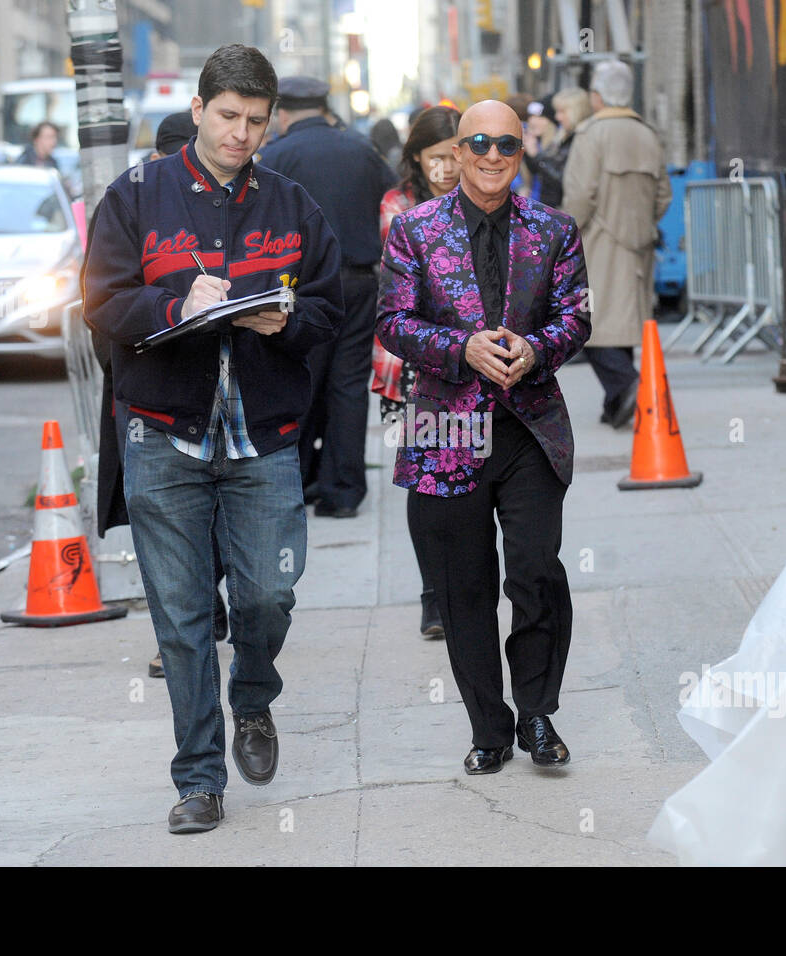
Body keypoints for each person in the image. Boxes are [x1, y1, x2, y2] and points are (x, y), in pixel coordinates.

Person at [83, 44, 345, 835]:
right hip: (164, 434)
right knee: (183, 615)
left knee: (268, 592)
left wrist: (289, 317)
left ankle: (254, 698)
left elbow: (333, 309)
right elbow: (101, 302)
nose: (241, 134)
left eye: (256, 122)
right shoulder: (135, 196)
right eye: (227, 117)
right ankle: (198, 778)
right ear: (197, 111)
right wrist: (173, 304)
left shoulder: (292, 204)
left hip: (263, 434)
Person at [377, 99, 591, 775]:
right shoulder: (414, 230)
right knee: (462, 588)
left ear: (520, 152)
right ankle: (488, 728)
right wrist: (460, 347)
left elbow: (576, 317)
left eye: (506, 145)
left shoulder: (554, 229)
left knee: (536, 572)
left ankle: (536, 712)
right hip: (445, 429)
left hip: (529, 426)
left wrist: (535, 350)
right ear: (457, 152)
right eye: (480, 143)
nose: (493, 156)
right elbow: (392, 322)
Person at [89, 109, 230, 681]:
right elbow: (100, 299)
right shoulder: (130, 203)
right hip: (150, 395)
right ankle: (185, 627)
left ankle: (204, 612)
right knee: (170, 521)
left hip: (224, 401)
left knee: (218, 513)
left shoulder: (233, 207)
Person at [259, 75, 397, 518]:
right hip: (359, 282)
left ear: (283, 113)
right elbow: (393, 200)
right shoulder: (361, 148)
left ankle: (298, 482)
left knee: (302, 381)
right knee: (348, 384)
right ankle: (343, 490)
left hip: (300, 288)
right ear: (324, 106)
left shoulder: (275, 156)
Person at [374, 104, 461, 639]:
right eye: (437, 158)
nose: (448, 169)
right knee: (426, 480)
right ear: (415, 158)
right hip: (412, 366)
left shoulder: (484, 198)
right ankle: (433, 595)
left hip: (470, 366)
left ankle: (461, 588)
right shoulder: (398, 205)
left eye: (456, 156)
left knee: (471, 476)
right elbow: (413, 287)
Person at [562, 60, 670, 429]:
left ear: (597, 96)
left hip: (597, 242)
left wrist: (560, 236)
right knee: (620, 323)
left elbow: (579, 196)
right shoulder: (648, 134)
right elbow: (663, 195)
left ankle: (627, 386)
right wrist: (641, 224)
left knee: (588, 324)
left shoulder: (591, 134)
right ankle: (616, 405)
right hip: (638, 245)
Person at [521, 100, 562, 207]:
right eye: (530, 116)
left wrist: (535, 155)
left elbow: (558, 182)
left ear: (551, 120)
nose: (532, 121)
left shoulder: (561, 145)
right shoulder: (534, 141)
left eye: (540, 117)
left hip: (555, 209)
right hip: (536, 205)